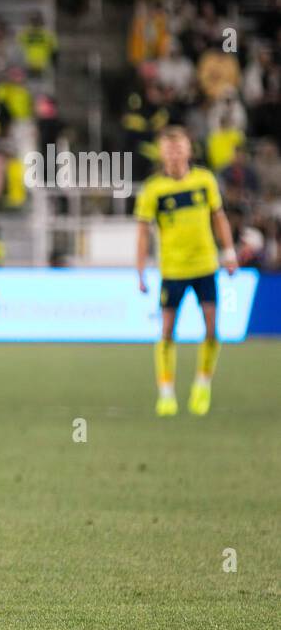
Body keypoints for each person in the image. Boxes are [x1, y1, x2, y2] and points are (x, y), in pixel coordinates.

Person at [135, 126, 238, 416]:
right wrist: (140, 269)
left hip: (205, 266)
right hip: (172, 270)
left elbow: (219, 218)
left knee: (211, 329)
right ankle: (166, 393)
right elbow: (143, 233)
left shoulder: (204, 181)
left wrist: (229, 252)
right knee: (167, 331)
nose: (175, 154)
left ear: (189, 150)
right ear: (161, 154)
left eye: (179, 148)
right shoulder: (153, 189)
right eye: (169, 150)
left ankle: (202, 384)